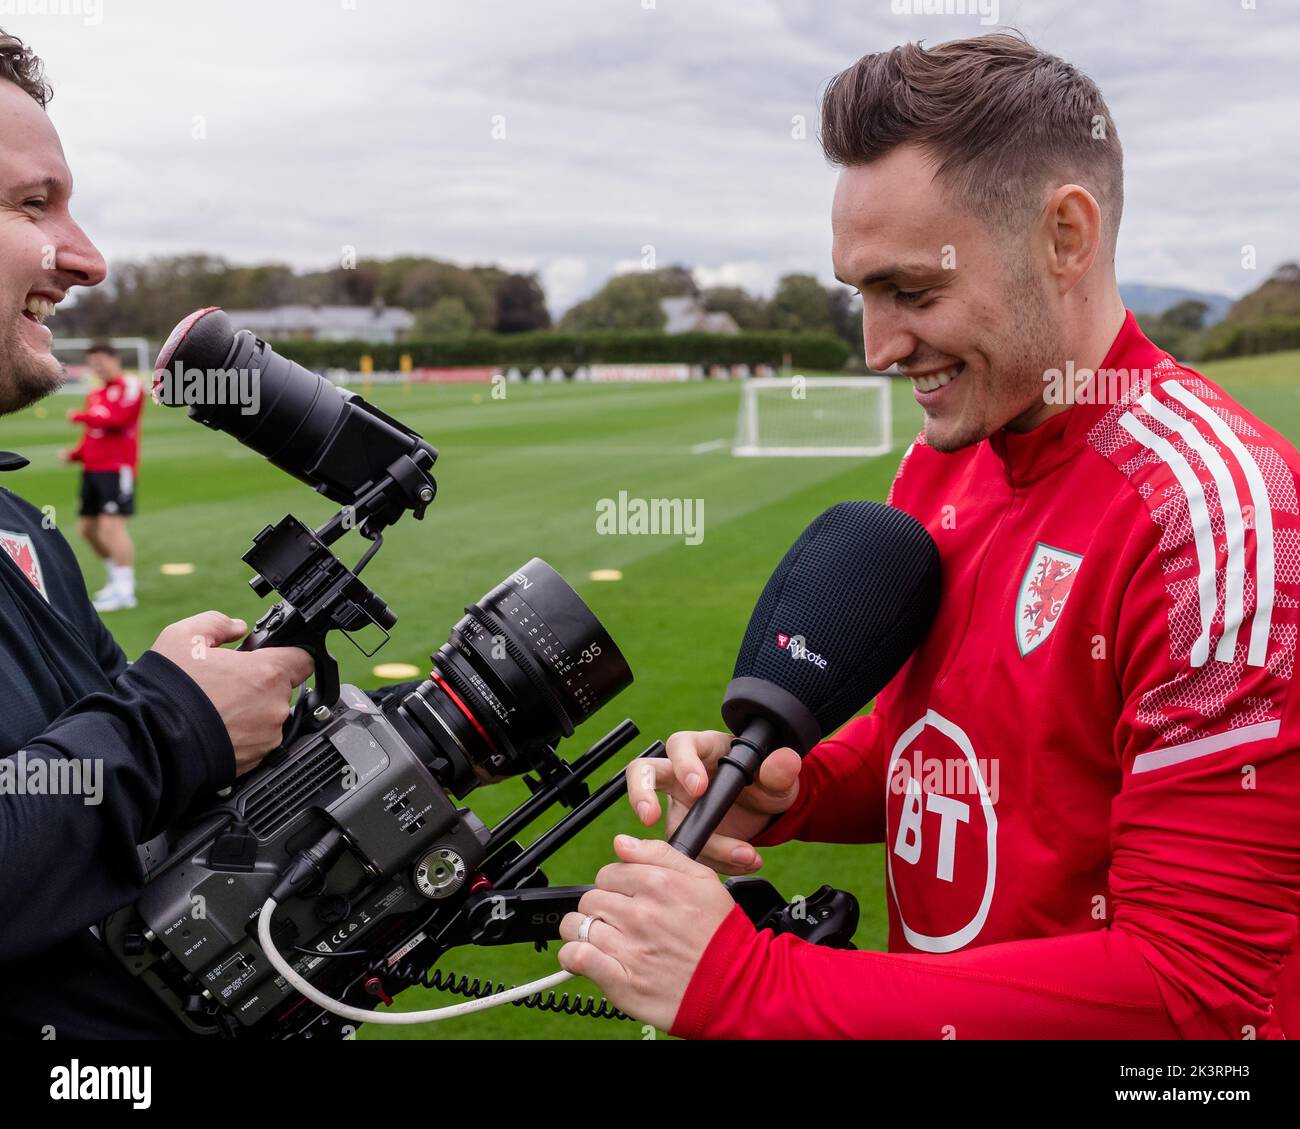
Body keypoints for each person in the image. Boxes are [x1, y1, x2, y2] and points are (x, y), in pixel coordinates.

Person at [558, 32, 1300, 1039]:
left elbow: (1202, 997)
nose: (876, 347)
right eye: (859, 293)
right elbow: (955, 751)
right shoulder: (945, 458)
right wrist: (800, 787)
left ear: (1065, 238)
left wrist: (752, 987)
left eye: (911, 291)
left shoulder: (1209, 518)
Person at [0, 30, 321, 1038]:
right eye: (30, 203)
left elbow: (105, 821)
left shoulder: (20, 531)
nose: (87, 258)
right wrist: (168, 723)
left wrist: (341, 762)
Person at [64, 342, 142, 611]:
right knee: (86, 529)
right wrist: (75, 455)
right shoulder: (96, 394)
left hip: (116, 469)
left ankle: (126, 591)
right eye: (92, 363)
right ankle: (114, 580)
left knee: (111, 526)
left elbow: (119, 421)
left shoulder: (129, 386)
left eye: (100, 361)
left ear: (114, 359)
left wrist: (81, 417)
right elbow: (91, 436)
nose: (97, 367)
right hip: (92, 470)